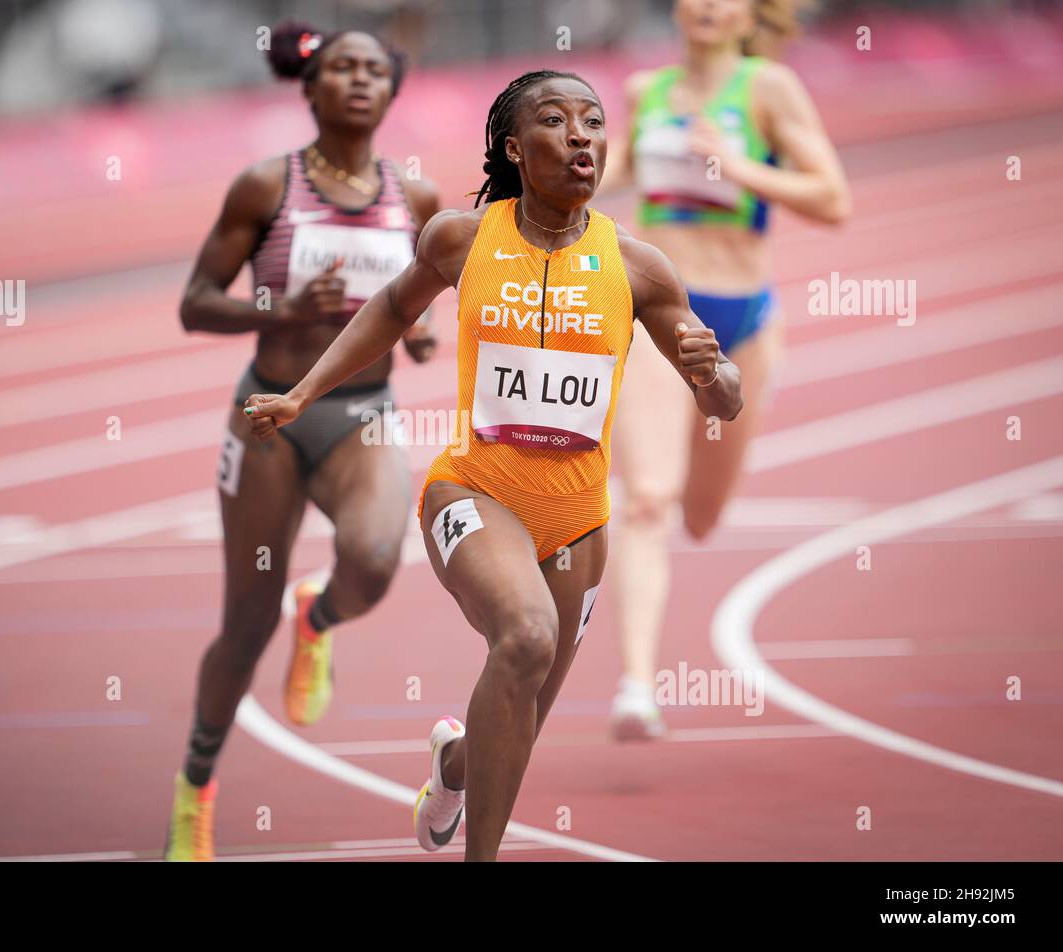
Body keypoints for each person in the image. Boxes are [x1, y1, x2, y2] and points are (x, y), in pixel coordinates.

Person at [244, 69, 743, 861]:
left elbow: (724, 405)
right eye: (556, 121)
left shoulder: (640, 267)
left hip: (579, 522)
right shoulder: (461, 238)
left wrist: (710, 369)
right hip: (473, 493)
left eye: (593, 123)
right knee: (526, 634)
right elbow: (390, 309)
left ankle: (451, 765)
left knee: (513, 715)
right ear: (514, 148)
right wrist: (303, 392)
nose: (581, 137)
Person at [165, 20, 439, 862]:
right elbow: (195, 301)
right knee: (244, 626)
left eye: (374, 71)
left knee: (376, 558)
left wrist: (418, 336)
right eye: (342, 68)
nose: (359, 80)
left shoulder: (416, 201)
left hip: (359, 411)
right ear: (311, 88)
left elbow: (412, 303)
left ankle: (318, 618)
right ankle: (195, 792)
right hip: (268, 418)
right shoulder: (264, 188)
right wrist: (277, 309)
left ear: (391, 93)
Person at [598, 0, 850, 738]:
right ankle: (637, 688)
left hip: (745, 321)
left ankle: (640, 677)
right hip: (660, 310)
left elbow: (833, 199)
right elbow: (613, 169)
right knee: (647, 498)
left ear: (749, 13)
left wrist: (735, 166)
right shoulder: (648, 90)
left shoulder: (768, 89)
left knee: (703, 517)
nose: (708, 5)